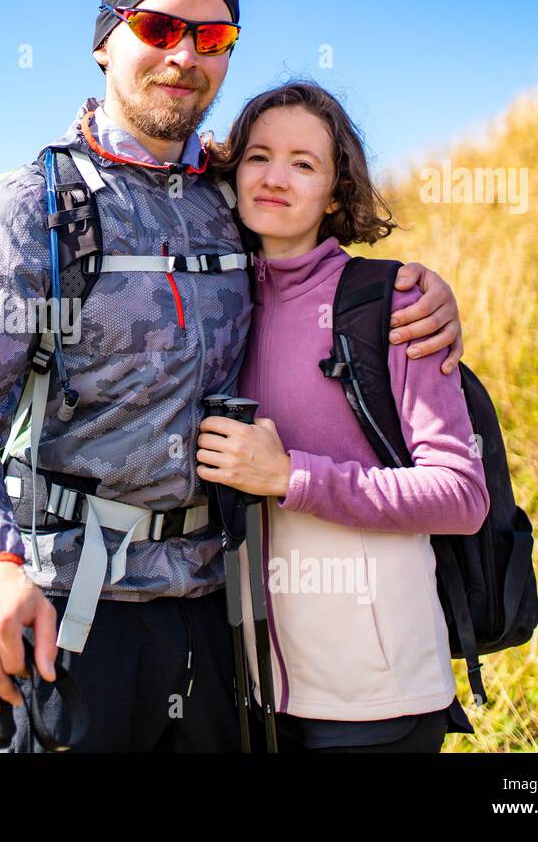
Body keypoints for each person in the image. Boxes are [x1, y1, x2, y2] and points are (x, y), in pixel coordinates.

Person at [0, 0, 465, 753]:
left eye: (213, 38)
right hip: (74, 616)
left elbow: (317, 262)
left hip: (223, 613)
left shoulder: (230, 196)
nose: (184, 56)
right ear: (106, 40)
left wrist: (418, 293)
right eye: (160, 28)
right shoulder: (34, 211)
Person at [197, 81, 488, 752]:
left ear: (335, 192)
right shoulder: (218, 299)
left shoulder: (390, 303)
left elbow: (460, 495)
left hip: (374, 696)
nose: (275, 178)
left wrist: (291, 476)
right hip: (253, 690)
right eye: (258, 157)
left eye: (304, 163)